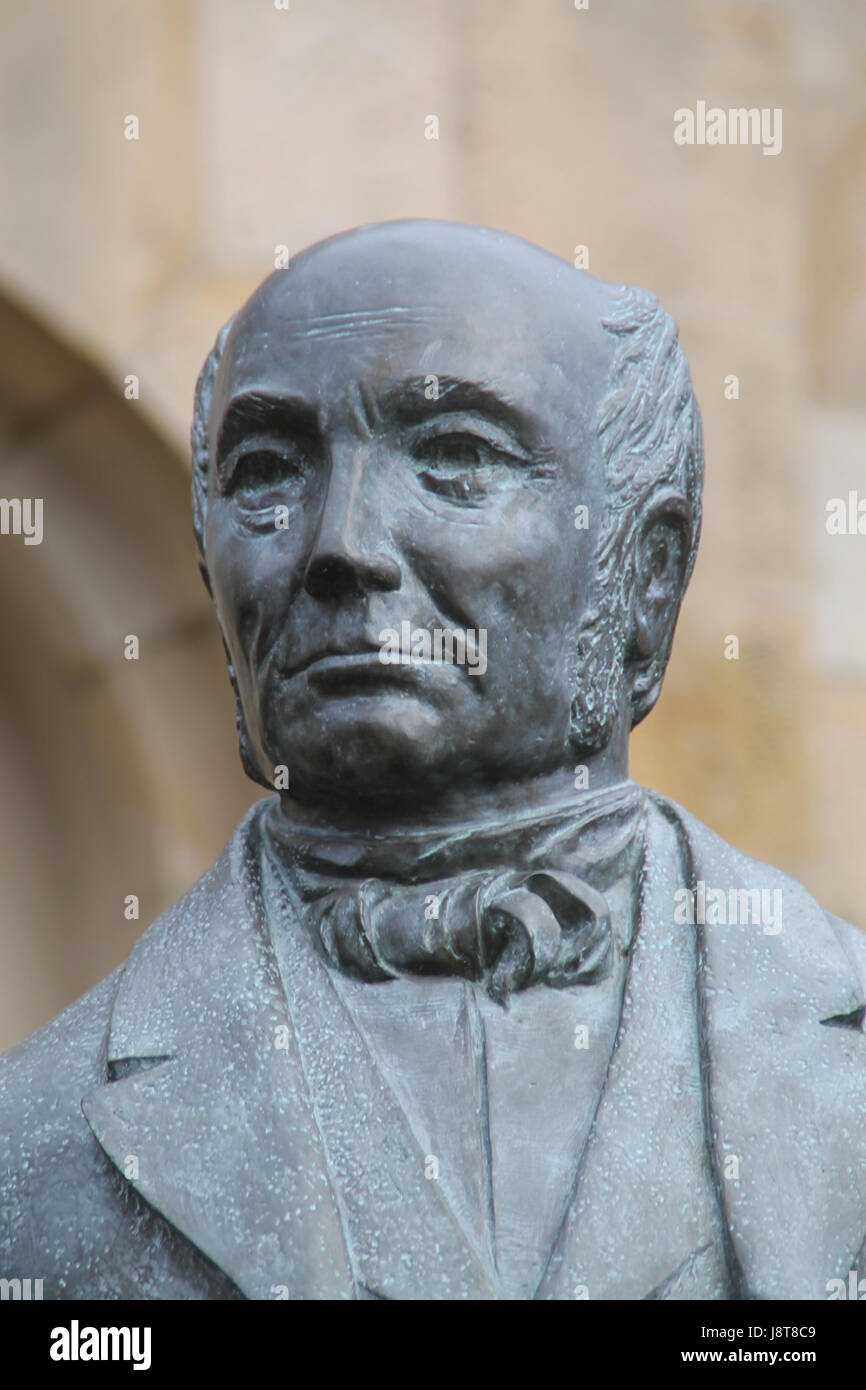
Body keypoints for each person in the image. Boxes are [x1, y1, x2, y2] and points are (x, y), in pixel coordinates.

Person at [2, 220, 864, 1300]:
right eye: (267, 471)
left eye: (455, 457)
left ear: (642, 577)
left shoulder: (835, 1047)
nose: (340, 545)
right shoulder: (27, 1152)